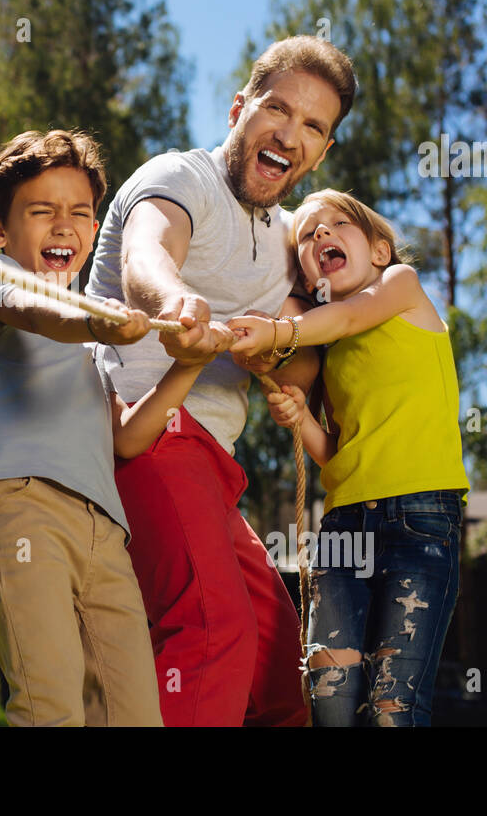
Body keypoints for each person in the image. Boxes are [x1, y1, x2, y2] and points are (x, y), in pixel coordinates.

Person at [84, 35, 357, 726]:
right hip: (145, 433)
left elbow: (301, 356)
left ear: (322, 152)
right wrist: (175, 302)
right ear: (240, 108)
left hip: (212, 470)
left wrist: (274, 350)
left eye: (313, 127)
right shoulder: (181, 178)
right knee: (212, 632)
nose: (289, 134)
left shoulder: (293, 236)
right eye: (277, 109)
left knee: (278, 675)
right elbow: (148, 253)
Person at [0, 128, 228, 726]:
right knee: (52, 705)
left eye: (80, 212)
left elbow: (127, 436)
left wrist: (188, 367)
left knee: (132, 715)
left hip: (104, 530)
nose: (64, 225)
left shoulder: (89, 345)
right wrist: (96, 324)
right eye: (41, 210)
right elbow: (36, 311)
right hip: (20, 502)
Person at [228, 188, 470, 726]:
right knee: (331, 698)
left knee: (393, 707)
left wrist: (275, 330)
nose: (321, 234)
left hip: (421, 517)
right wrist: (304, 420)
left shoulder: (398, 286)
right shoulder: (328, 349)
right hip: (344, 526)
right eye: (309, 234)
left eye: (338, 223)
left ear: (380, 250)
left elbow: (344, 318)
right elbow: (337, 456)